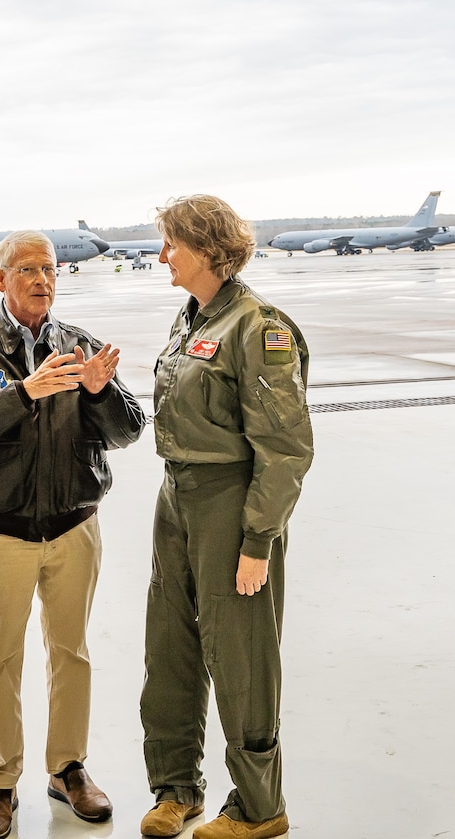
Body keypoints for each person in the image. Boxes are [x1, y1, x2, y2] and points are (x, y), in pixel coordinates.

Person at [0, 230, 145, 839]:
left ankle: (67, 769)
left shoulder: (81, 347)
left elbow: (128, 430)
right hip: (1, 534)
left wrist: (100, 392)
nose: (42, 279)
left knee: (70, 653)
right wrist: (24, 393)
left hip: (74, 527)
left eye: (48, 269)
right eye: (27, 269)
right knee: (0, 658)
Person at [139, 196, 314, 839]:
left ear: (208, 249)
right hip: (176, 499)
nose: (163, 257)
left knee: (241, 654)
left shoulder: (257, 326)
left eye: (171, 245)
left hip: (230, 503)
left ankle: (260, 806)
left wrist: (257, 539)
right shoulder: (190, 321)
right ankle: (176, 789)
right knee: (170, 646)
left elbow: (286, 448)